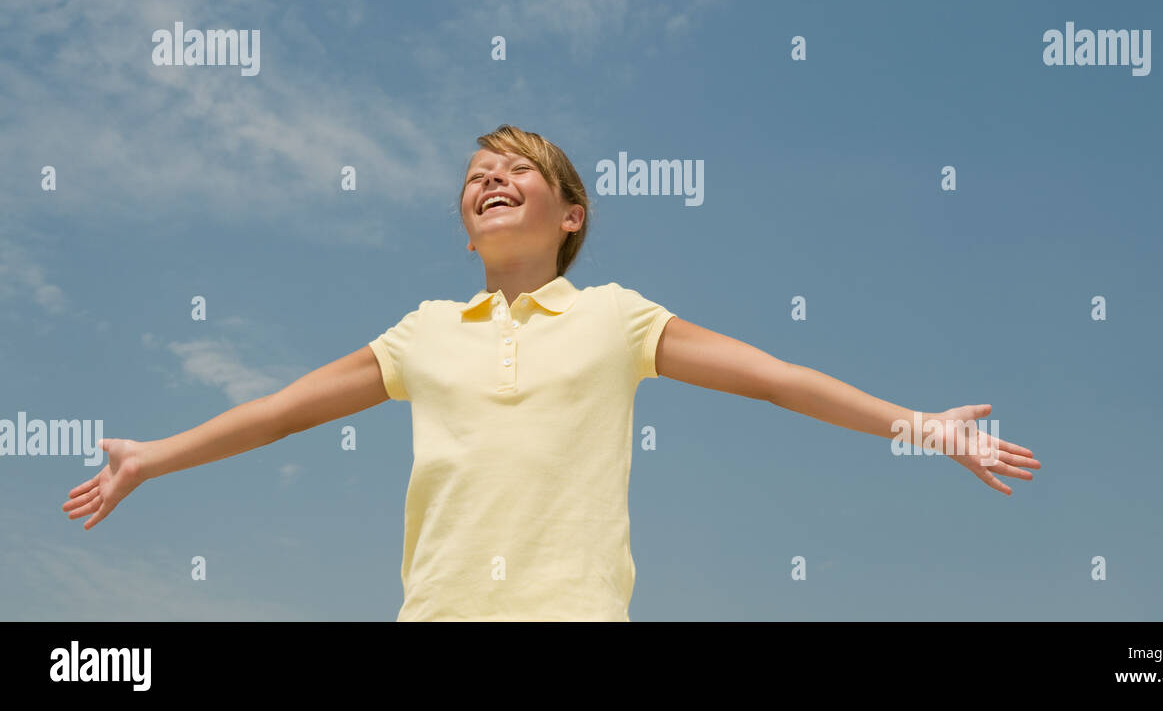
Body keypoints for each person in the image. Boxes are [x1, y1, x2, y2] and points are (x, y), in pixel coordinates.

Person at [62, 124, 1041, 620]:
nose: (488, 177)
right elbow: (280, 412)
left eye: (515, 167)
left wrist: (921, 424)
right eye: (476, 172)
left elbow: (774, 375)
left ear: (569, 213)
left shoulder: (616, 318)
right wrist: (152, 456)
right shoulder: (424, 331)